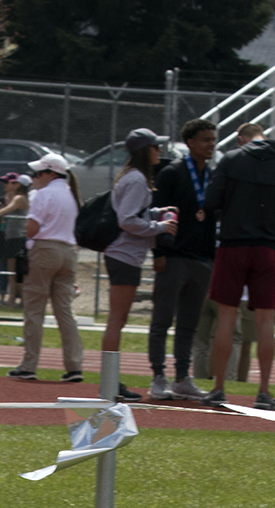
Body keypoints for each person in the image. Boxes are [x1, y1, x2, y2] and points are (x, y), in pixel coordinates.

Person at [200, 122, 275, 408]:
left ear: (242, 139)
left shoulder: (232, 160)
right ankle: (264, 392)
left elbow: (212, 200)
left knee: (226, 318)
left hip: (233, 244)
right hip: (267, 247)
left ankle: (219, 387)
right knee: (265, 321)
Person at [99, 128, 177, 402]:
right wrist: (160, 226)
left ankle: (110, 382)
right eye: (156, 147)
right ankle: (109, 383)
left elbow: (133, 213)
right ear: (146, 151)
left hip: (124, 255)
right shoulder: (136, 179)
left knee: (117, 320)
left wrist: (156, 214)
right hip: (124, 255)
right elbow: (127, 220)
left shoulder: (135, 178)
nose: (160, 152)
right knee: (116, 320)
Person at [145, 118, 217, 401]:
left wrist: (211, 258)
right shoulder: (171, 173)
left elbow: (211, 218)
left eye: (213, 139)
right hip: (174, 256)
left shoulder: (212, 177)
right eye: (205, 140)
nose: (210, 145)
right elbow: (159, 215)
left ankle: (183, 377)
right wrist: (159, 253)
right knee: (162, 318)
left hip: (201, 258)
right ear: (190, 143)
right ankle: (158, 376)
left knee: (189, 323)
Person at [8, 153, 85, 382]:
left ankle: (29, 365)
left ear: (51, 173)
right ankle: (74, 366)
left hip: (45, 250)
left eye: (39, 173)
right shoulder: (72, 196)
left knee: (34, 310)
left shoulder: (44, 194)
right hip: (68, 252)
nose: (36, 177)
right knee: (65, 312)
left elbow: (32, 229)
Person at [0, 172, 29, 308]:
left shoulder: (19, 198)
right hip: (14, 237)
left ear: (18, 185)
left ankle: (13, 300)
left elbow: (7, 210)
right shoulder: (20, 197)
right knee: (16, 273)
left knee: (13, 272)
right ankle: (20, 301)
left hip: (15, 238)